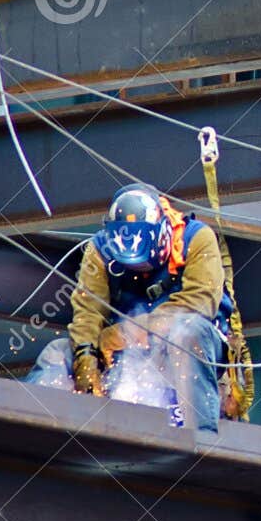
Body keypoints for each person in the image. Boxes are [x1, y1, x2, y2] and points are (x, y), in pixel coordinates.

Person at [25, 183, 229, 433]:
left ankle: (200, 437)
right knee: (57, 352)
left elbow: (199, 302)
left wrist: (128, 332)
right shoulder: (100, 251)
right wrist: (86, 359)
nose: (138, 270)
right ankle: (41, 431)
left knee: (187, 332)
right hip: (124, 358)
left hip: (183, 355)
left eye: (144, 264)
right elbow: (87, 312)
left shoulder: (197, 238)